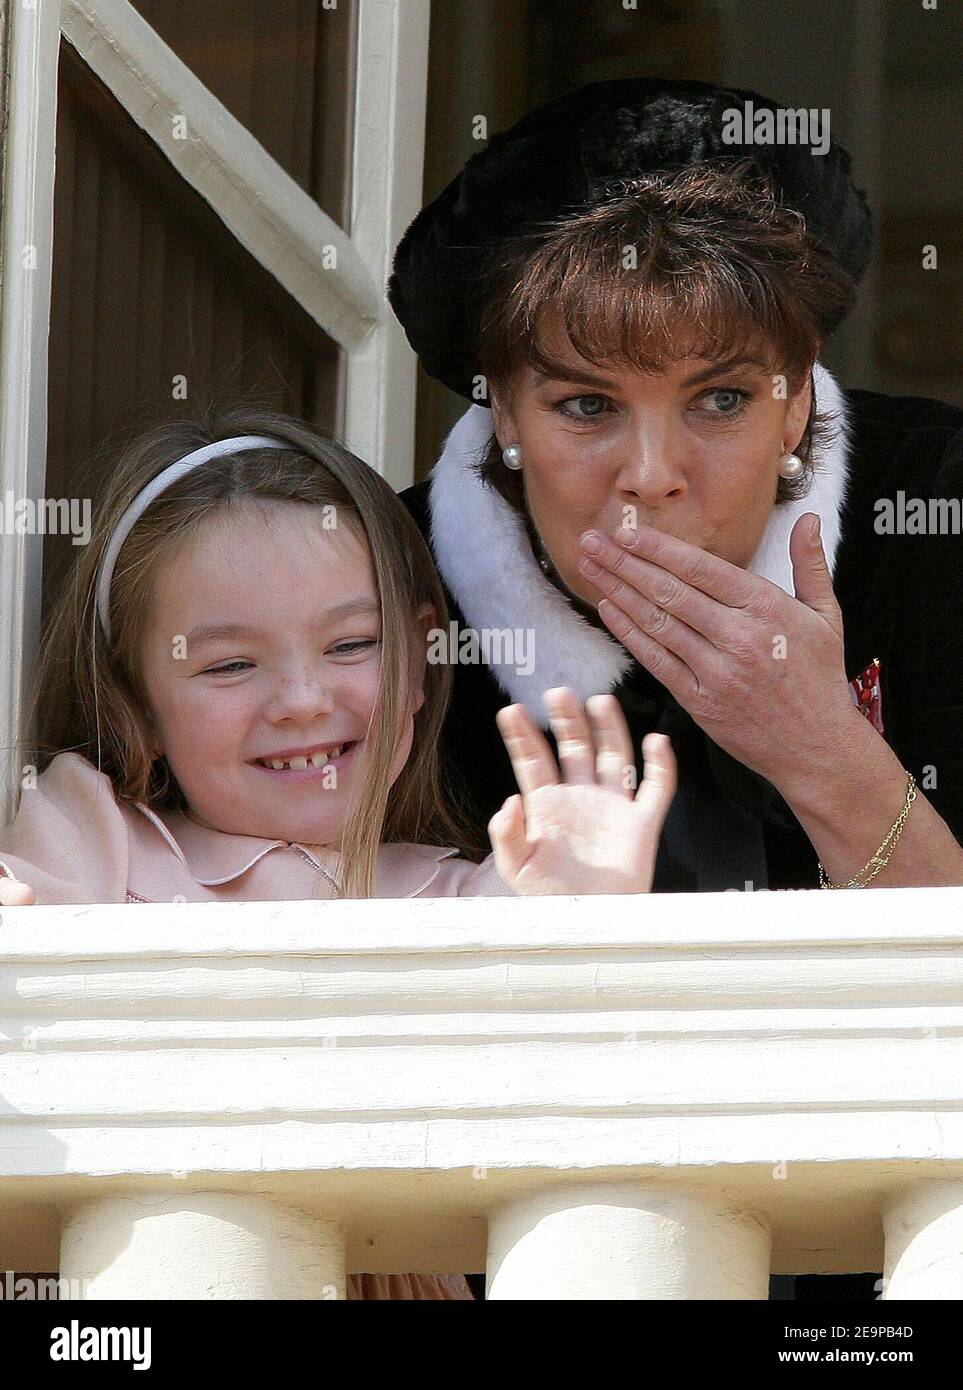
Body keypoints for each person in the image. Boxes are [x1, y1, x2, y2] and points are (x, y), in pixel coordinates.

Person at [388, 77, 963, 1298]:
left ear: (800, 396)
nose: (650, 477)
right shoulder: (377, 604)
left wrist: (830, 762)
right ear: (499, 416)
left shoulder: (942, 520)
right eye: (587, 405)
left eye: (719, 400)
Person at [0, 407, 676, 1300]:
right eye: (229, 666)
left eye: (351, 645)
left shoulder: (466, 895)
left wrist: (581, 912)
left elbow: (561, 1082)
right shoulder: (93, 834)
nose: (300, 698)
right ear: (134, 703)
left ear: (421, 659)